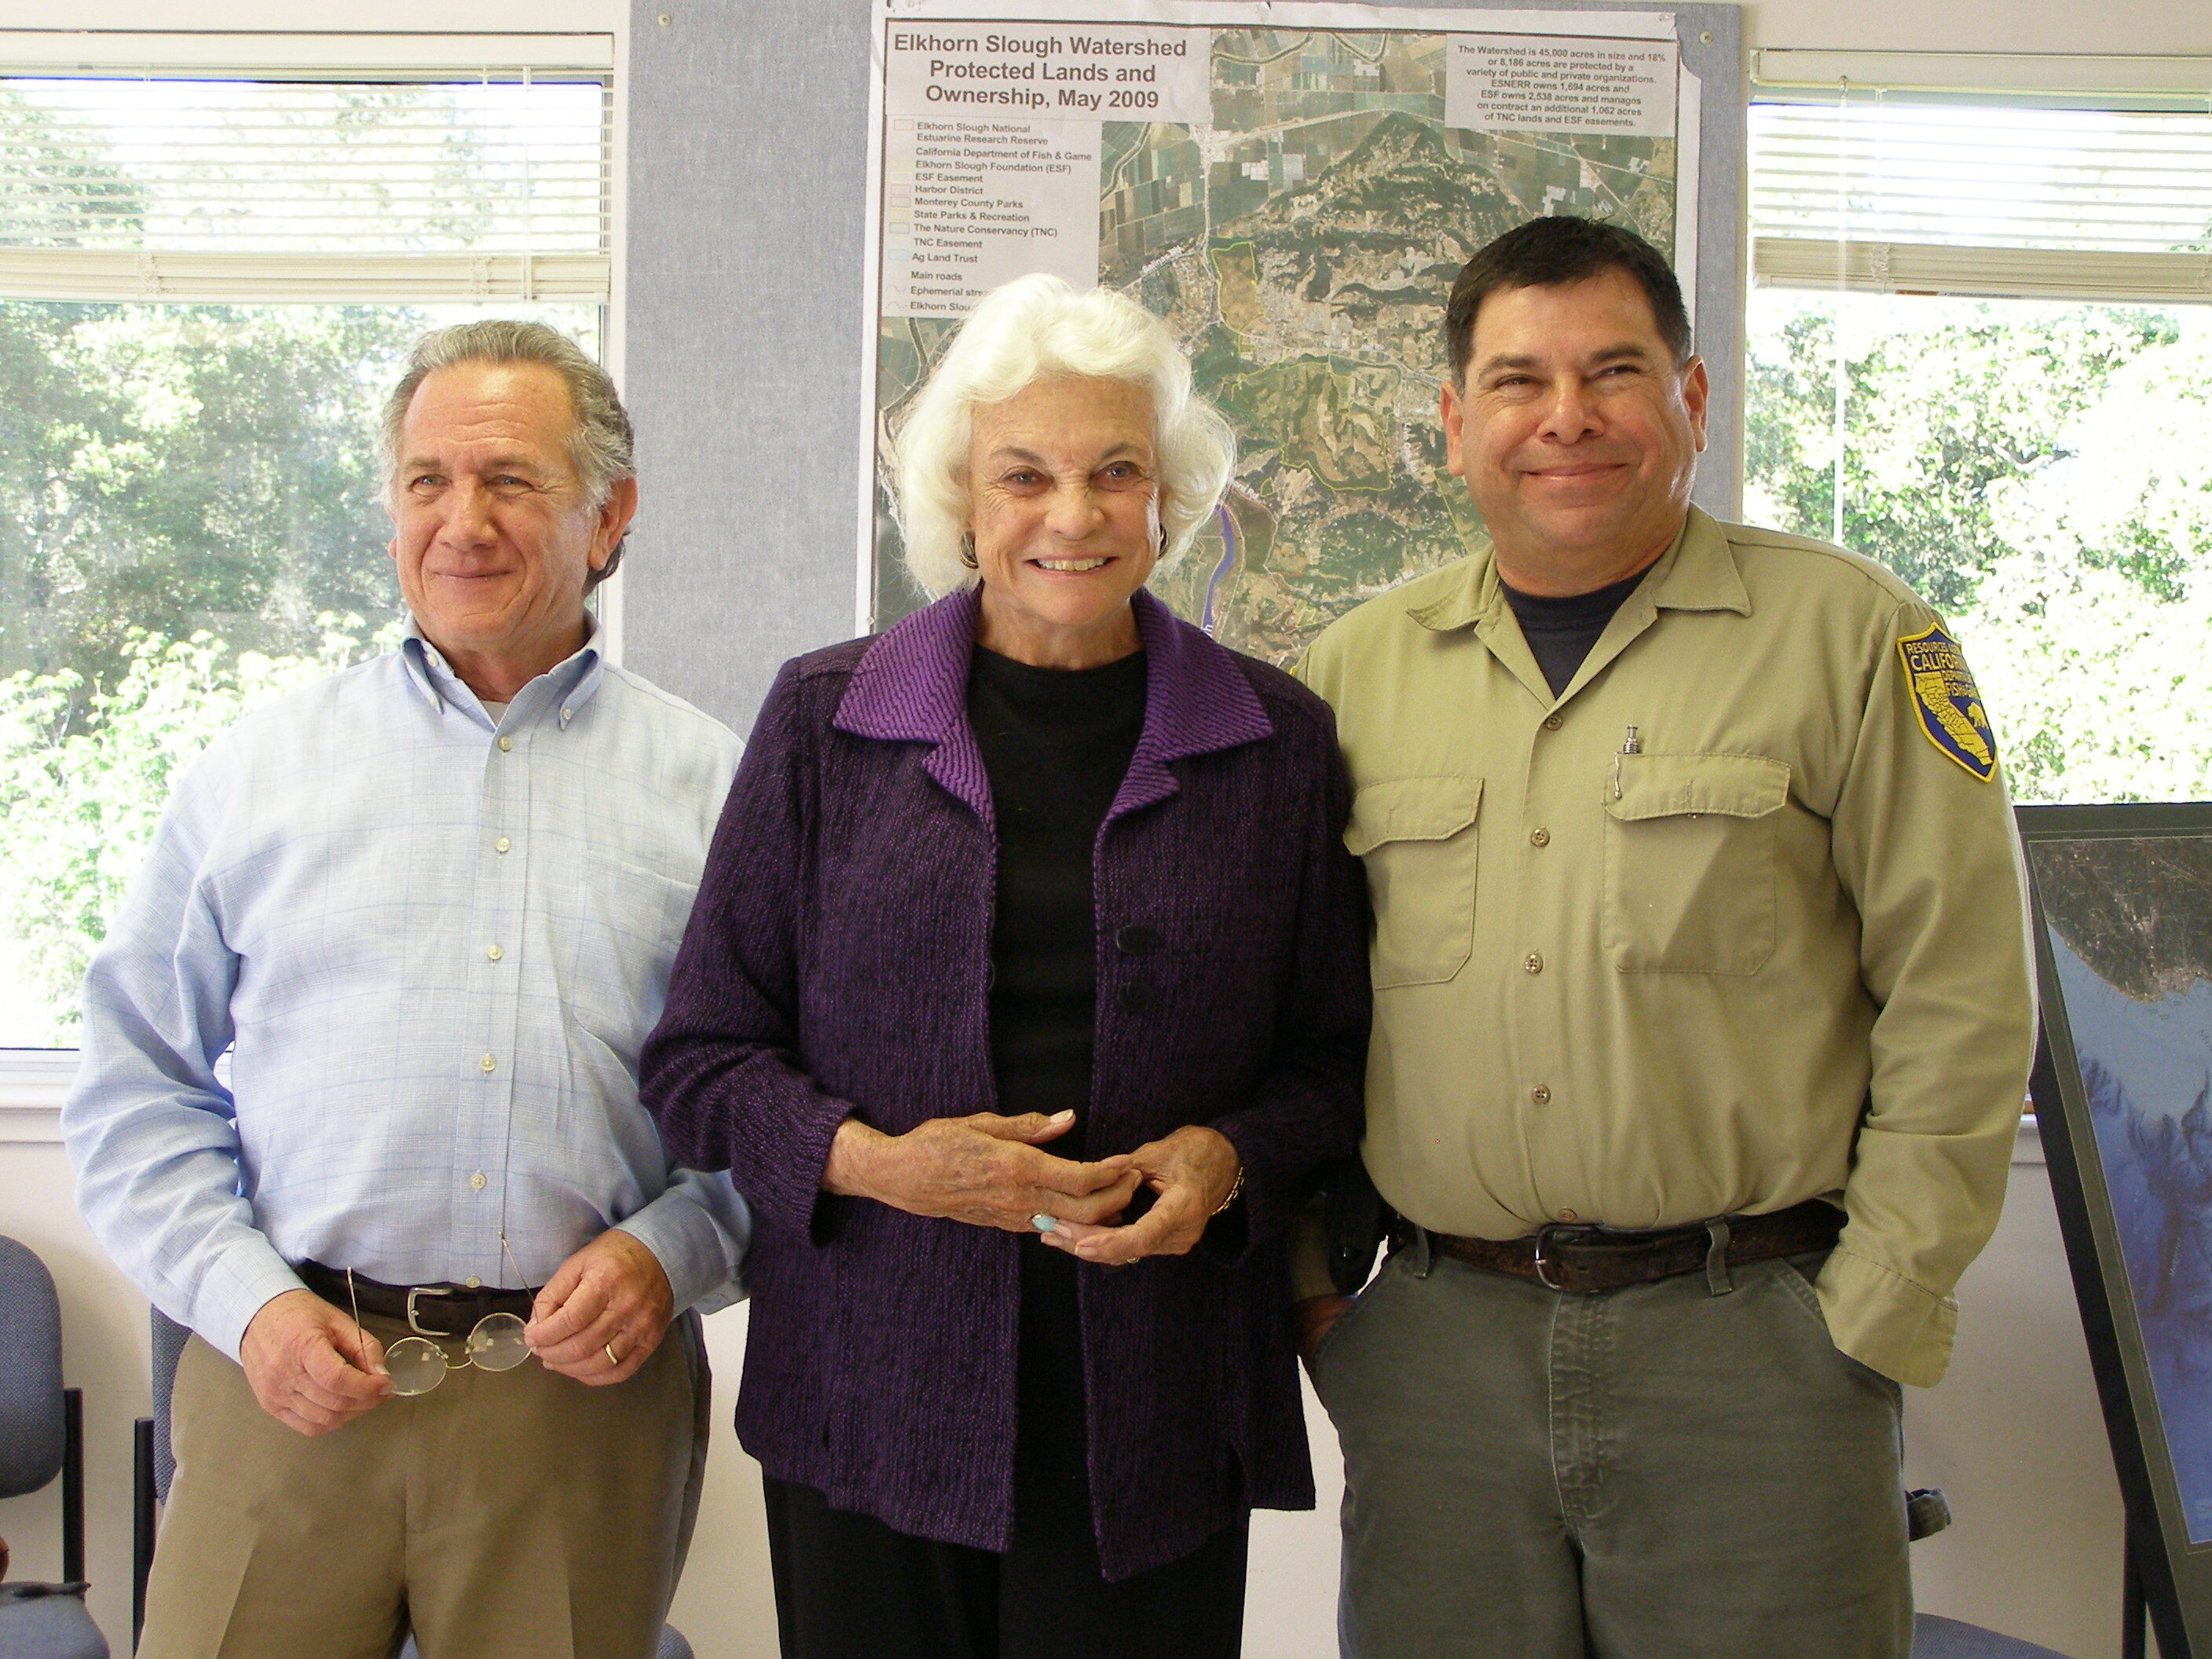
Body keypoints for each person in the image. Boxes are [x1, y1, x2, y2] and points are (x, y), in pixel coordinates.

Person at [1291, 217, 2037, 1658]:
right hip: (1444, 1354)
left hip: (1752, 1345)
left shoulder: (1857, 639)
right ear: (1455, 423)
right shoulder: (1352, 676)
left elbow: (1961, 995)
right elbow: (1298, 1010)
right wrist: (1321, 1292)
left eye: (1614, 370)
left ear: (1692, 399)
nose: (1566, 416)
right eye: (1517, 381)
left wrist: (1870, 1314)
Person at [640, 273, 1370, 1659]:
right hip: (873, 1388)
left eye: (1116, 472)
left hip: (1154, 1397)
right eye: (1022, 475)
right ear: (963, 506)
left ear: (1168, 499)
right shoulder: (822, 721)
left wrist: (1229, 1156)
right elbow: (702, 1059)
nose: (1073, 514)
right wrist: (872, 1159)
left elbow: (1334, 1062)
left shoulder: (1273, 742)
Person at [64, 320, 751, 1659]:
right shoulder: (254, 776)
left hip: (574, 1408)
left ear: (608, 516)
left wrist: (670, 1254)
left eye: (510, 480)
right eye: (427, 481)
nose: (462, 522)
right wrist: (249, 1305)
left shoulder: (721, 795)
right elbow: (134, 1087)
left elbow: (774, 1108)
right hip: (287, 1378)